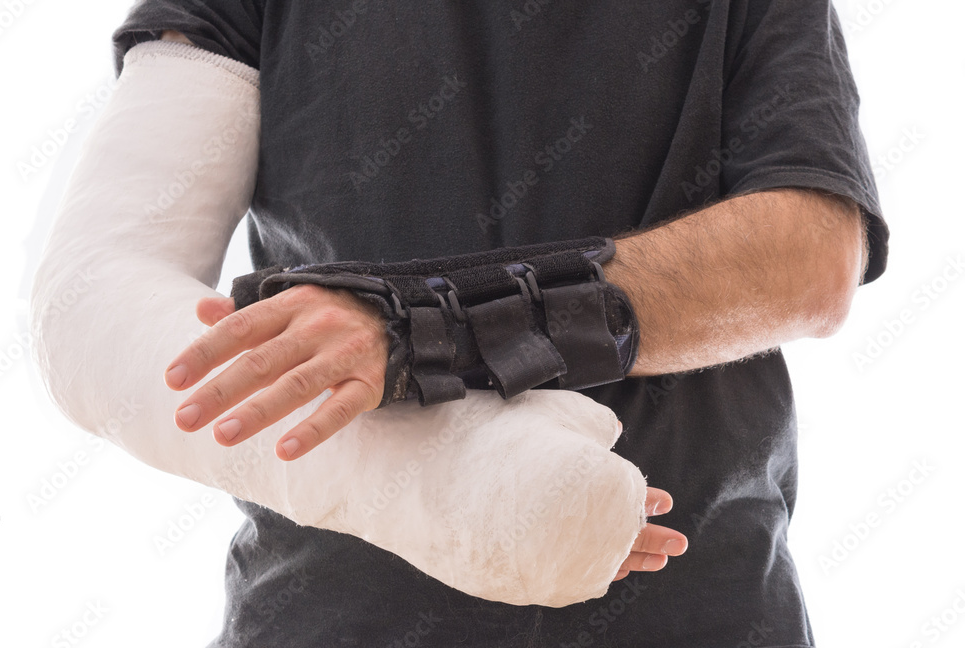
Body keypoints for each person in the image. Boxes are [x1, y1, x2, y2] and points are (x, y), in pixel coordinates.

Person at [104, 1, 888, 646]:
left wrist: (419, 331)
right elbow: (101, 294)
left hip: (693, 615)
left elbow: (811, 258)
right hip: (332, 622)